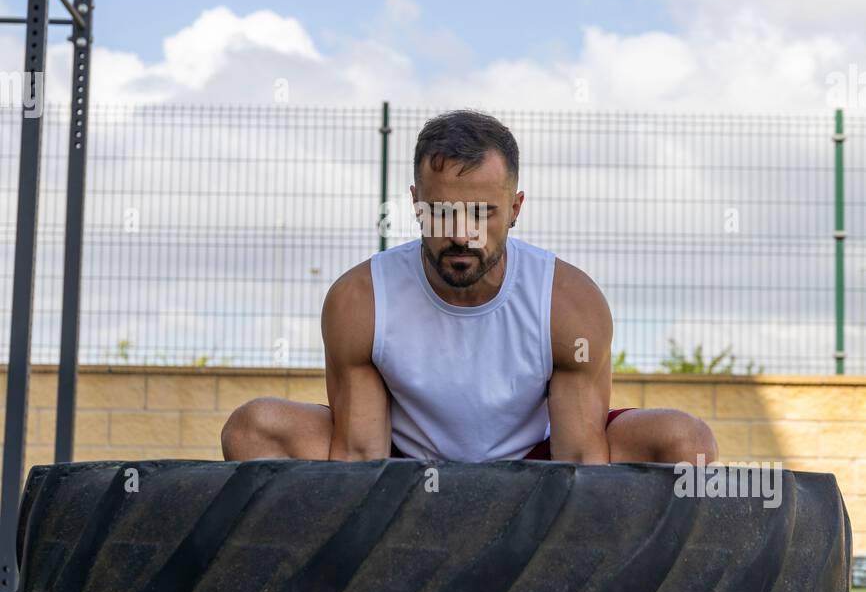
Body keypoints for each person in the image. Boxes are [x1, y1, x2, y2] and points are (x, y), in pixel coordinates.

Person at [221, 108, 718, 466]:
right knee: (253, 428)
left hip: (536, 467)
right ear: (417, 205)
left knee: (686, 442)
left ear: (516, 209)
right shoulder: (360, 300)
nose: (462, 233)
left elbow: (579, 462)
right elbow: (359, 456)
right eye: (444, 212)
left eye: (482, 212)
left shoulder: (567, 302)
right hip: (403, 468)